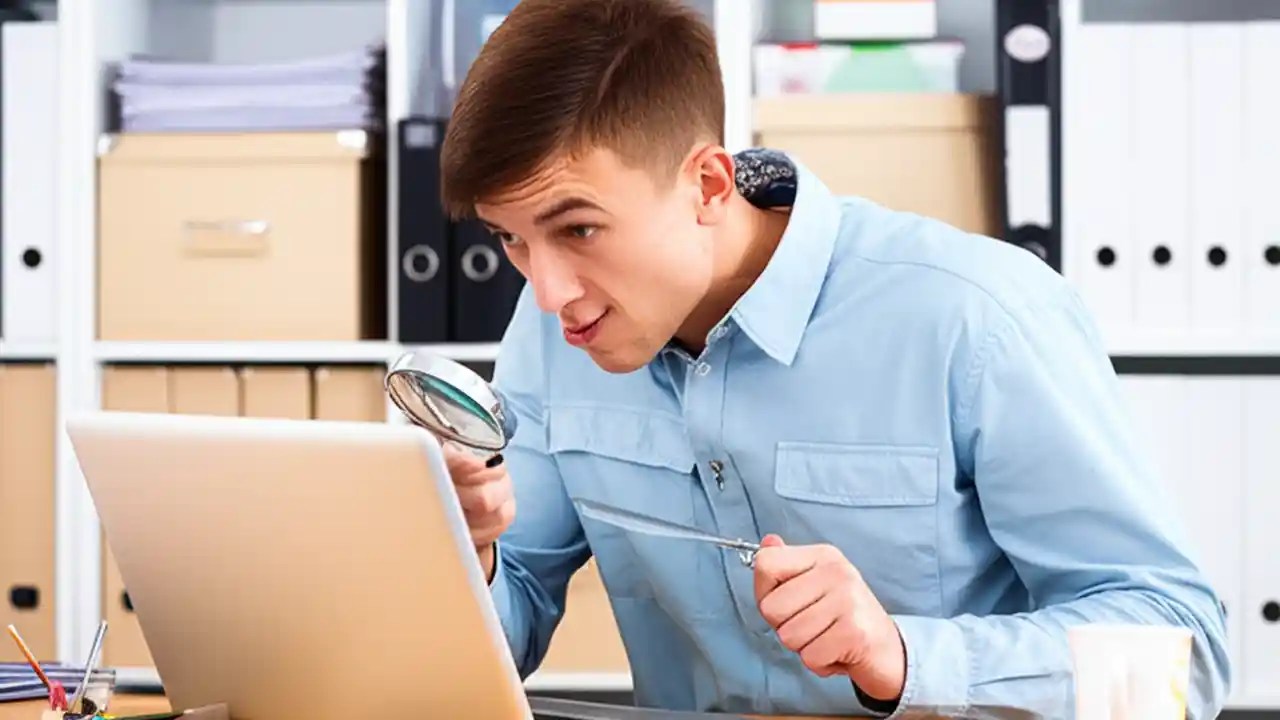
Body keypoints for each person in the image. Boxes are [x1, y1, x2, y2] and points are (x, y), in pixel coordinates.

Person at [433, 0, 1230, 717]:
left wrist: (906, 656)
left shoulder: (976, 317)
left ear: (709, 186)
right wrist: (469, 548)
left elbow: (1178, 645)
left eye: (578, 230)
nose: (544, 291)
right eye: (511, 239)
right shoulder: (555, 330)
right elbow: (511, 621)